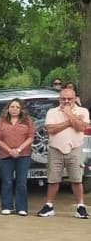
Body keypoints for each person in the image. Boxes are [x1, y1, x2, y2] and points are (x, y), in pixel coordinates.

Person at [36, 87, 89, 218]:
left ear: (75, 99)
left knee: (76, 179)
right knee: (53, 179)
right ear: (59, 99)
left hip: (75, 148)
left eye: (69, 99)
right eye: (63, 99)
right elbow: (50, 129)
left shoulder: (83, 111)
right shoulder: (52, 112)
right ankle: (49, 205)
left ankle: (81, 207)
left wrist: (69, 114)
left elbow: (81, 127)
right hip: (55, 148)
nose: (66, 101)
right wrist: (71, 121)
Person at [0, 99, 35, 216]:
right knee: (7, 181)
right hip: (5, 155)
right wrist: (9, 150)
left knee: (21, 182)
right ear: (8, 108)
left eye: (17, 107)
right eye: (12, 106)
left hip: (23, 155)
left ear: (21, 109)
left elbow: (31, 137)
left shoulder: (27, 121)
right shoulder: (1, 121)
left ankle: (21, 207)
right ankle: (7, 206)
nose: (14, 109)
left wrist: (19, 150)